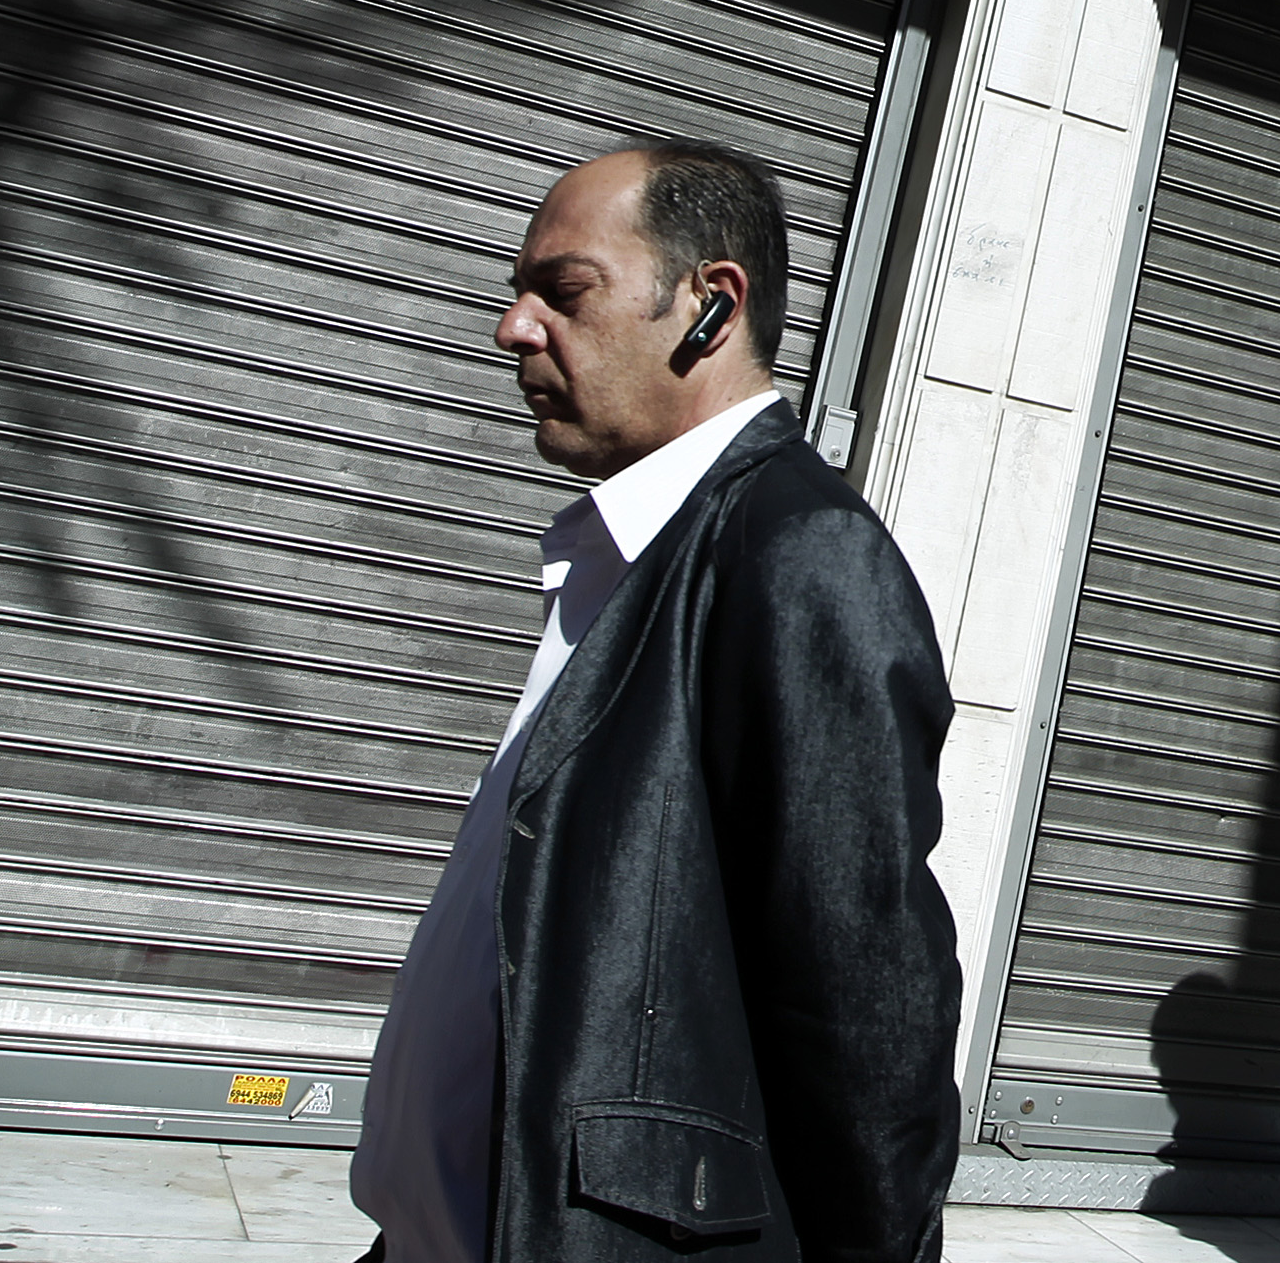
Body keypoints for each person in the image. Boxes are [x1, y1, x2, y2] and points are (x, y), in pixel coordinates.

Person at [350, 142, 958, 1263]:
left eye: (564, 291)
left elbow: (863, 1001)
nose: (514, 328)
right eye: (519, 293)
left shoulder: (796, 553)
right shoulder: (636, 550)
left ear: (708, 305)